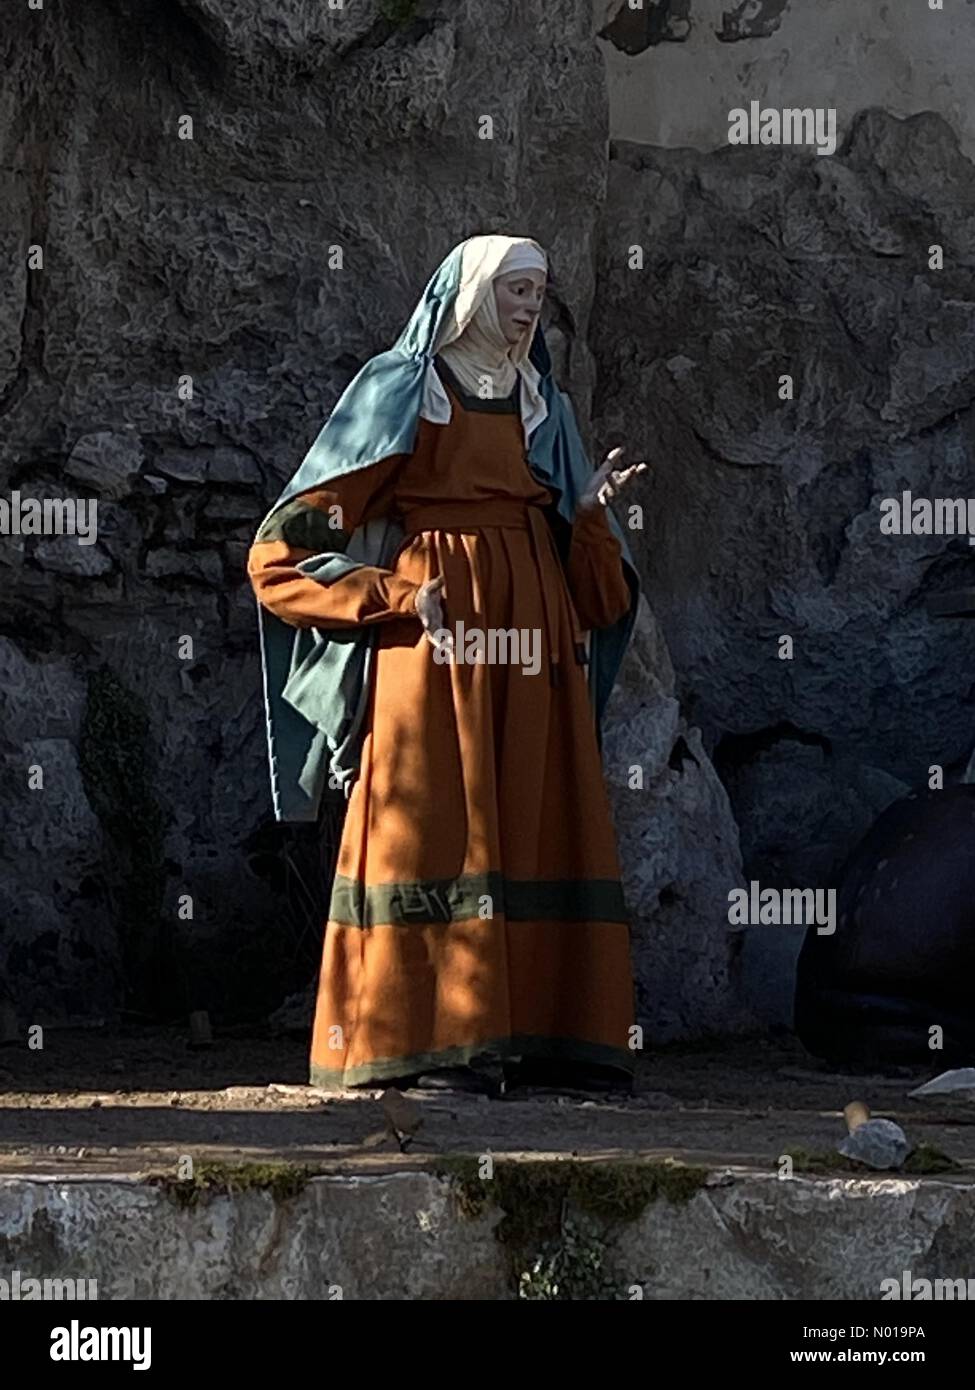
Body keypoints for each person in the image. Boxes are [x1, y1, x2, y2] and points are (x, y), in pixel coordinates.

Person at [248, 234, 644, 1095]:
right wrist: (389, 594)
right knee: (431, 817)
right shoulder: (401, 392)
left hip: (533, 636)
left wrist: (584, 517)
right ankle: (426, 1038)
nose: (529, 304)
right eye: (513, 287)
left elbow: (603, 603)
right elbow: (283, 550)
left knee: (536, 809)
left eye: (538, 289)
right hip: (436, 638)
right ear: (468, 297)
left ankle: (543, 1033)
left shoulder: (549, 411)